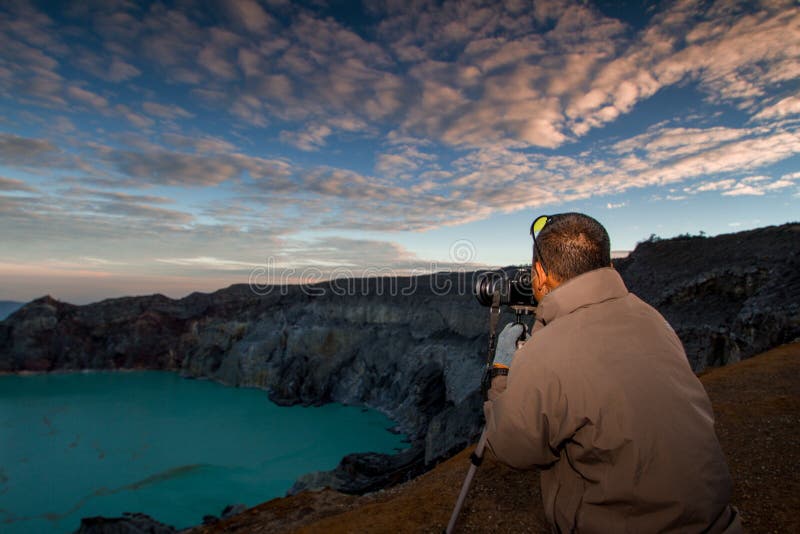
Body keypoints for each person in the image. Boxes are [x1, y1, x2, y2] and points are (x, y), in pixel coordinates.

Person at [483, 212, 741, 533]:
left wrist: (502, 371)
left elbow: (511, 447)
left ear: (540, 274)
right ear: (608, 265)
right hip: (715, 522)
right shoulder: (652, 318)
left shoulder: (547, 351)